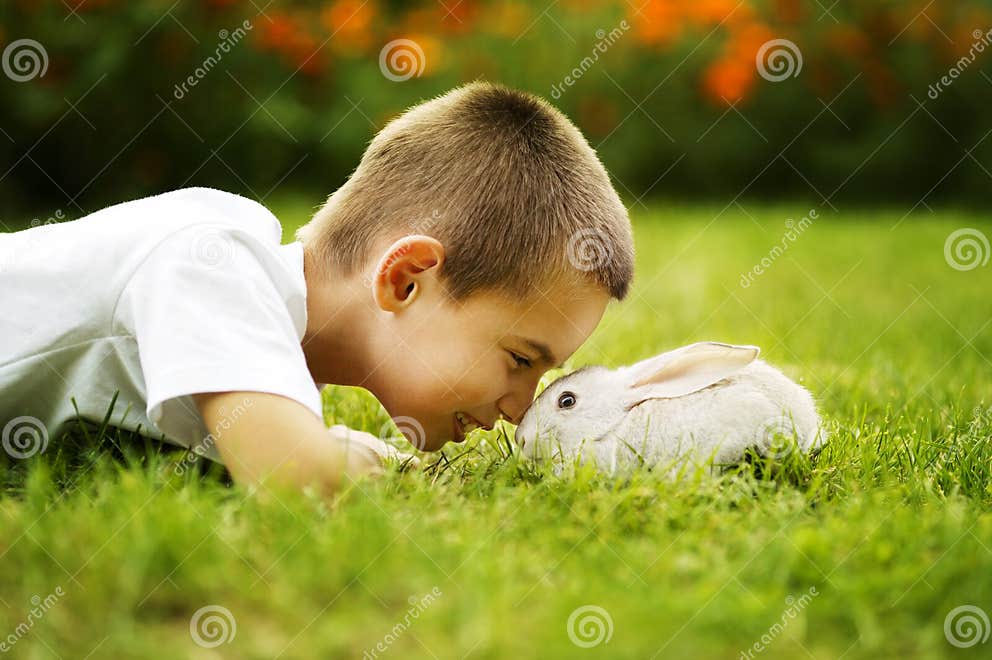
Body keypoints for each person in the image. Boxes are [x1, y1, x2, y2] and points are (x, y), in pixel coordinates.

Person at [0, 81, 634, 495]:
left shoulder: (277, 369)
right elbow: (293, 479)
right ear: (406, 280)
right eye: (520, 360)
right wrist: (372, 465)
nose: (521, 407)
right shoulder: (212, 255)